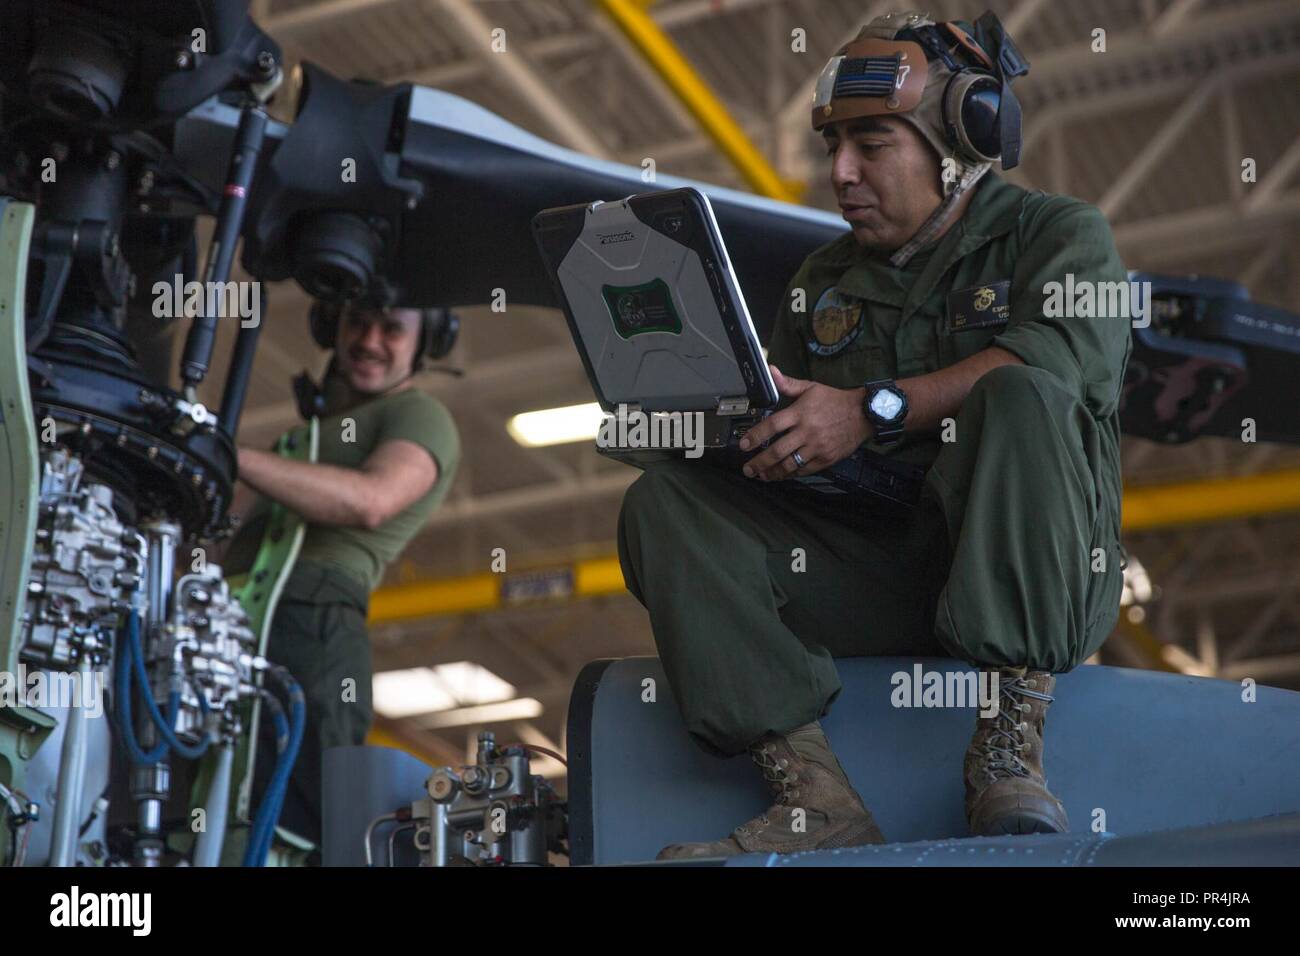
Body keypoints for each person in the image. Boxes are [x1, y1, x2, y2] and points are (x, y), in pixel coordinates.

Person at [616, 10, 1129, 859]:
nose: (841, 173)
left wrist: (867, 409)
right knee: (663, 502)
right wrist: (711, 431)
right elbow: (786, 448)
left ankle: (1009, 742)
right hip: (885, 575)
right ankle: (813, 794)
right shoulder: (822, 281)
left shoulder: (1057, 236)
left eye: (872, 143)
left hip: (1032, 572)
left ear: (961, 142)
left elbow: (1067, 369)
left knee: (1022, 394)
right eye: (833, 149)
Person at [227, 294, 460, 846]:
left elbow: (370, 501)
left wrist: (227, 454)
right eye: (357, 321)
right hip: (243, 626)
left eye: (391, 329)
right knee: (231, 806)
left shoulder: (419, 414)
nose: (369, 341)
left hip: (313, 621)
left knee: (319, 821)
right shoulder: (309, 436)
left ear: (427, 342)